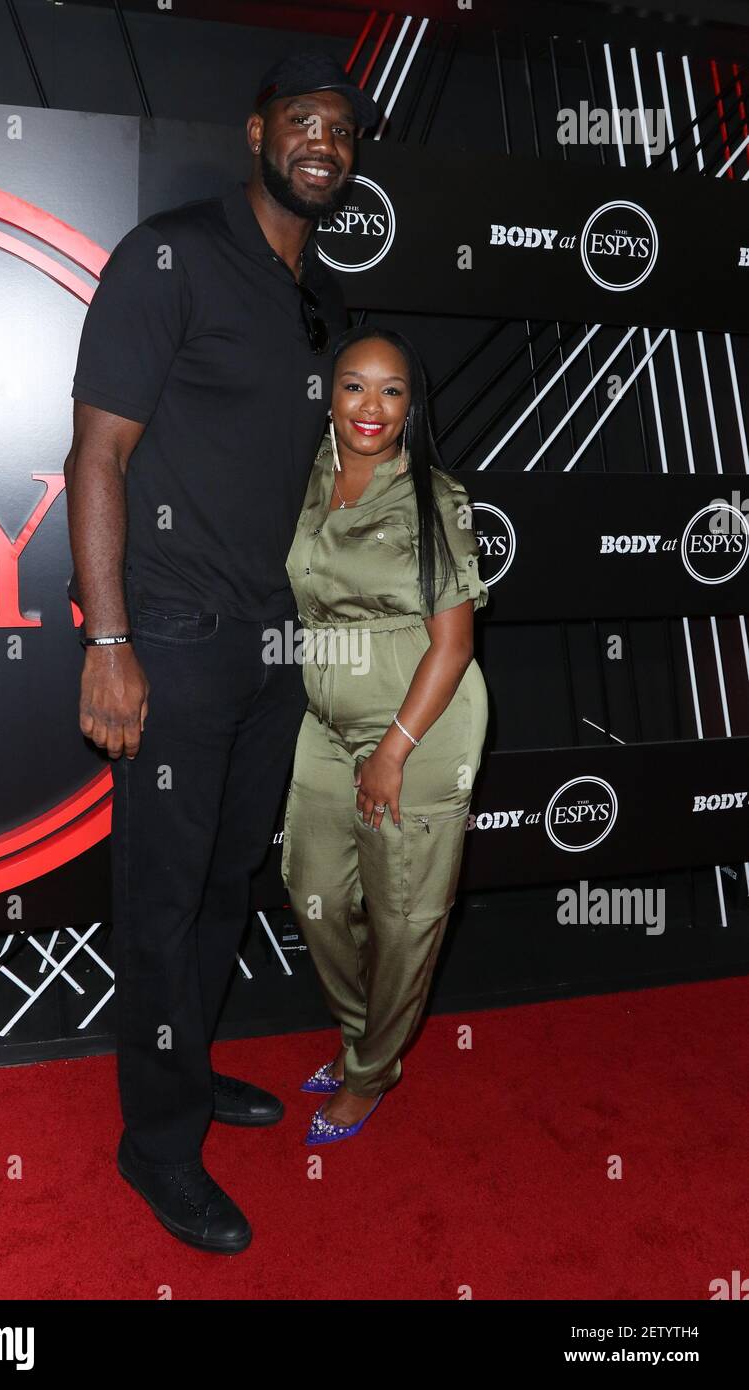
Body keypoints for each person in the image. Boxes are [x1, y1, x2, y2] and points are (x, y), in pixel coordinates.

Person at [63, 53, 379, 1252]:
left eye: (342, 132)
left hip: (271, 647)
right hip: (175, 635)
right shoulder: (169, 254)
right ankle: (155, 1148)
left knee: (216, 886)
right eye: (303, 123)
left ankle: (184, 1083)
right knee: (158, 897)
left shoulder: (316, 296)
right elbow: (97, 457)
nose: (323, 145)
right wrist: (109, 641)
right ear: (256, 132)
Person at [281, 325, 490, 1146]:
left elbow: (456, 643)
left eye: (392, 390)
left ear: (412, 405)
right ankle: (366, 1036)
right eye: (355, 385)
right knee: (313, 891)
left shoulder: (435, 499)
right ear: (329, 396)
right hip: (325, 724)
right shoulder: (302, 483)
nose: (372, 405)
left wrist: (393, 752)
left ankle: (371, 1072)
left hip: (422, 730)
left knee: (404, 916)